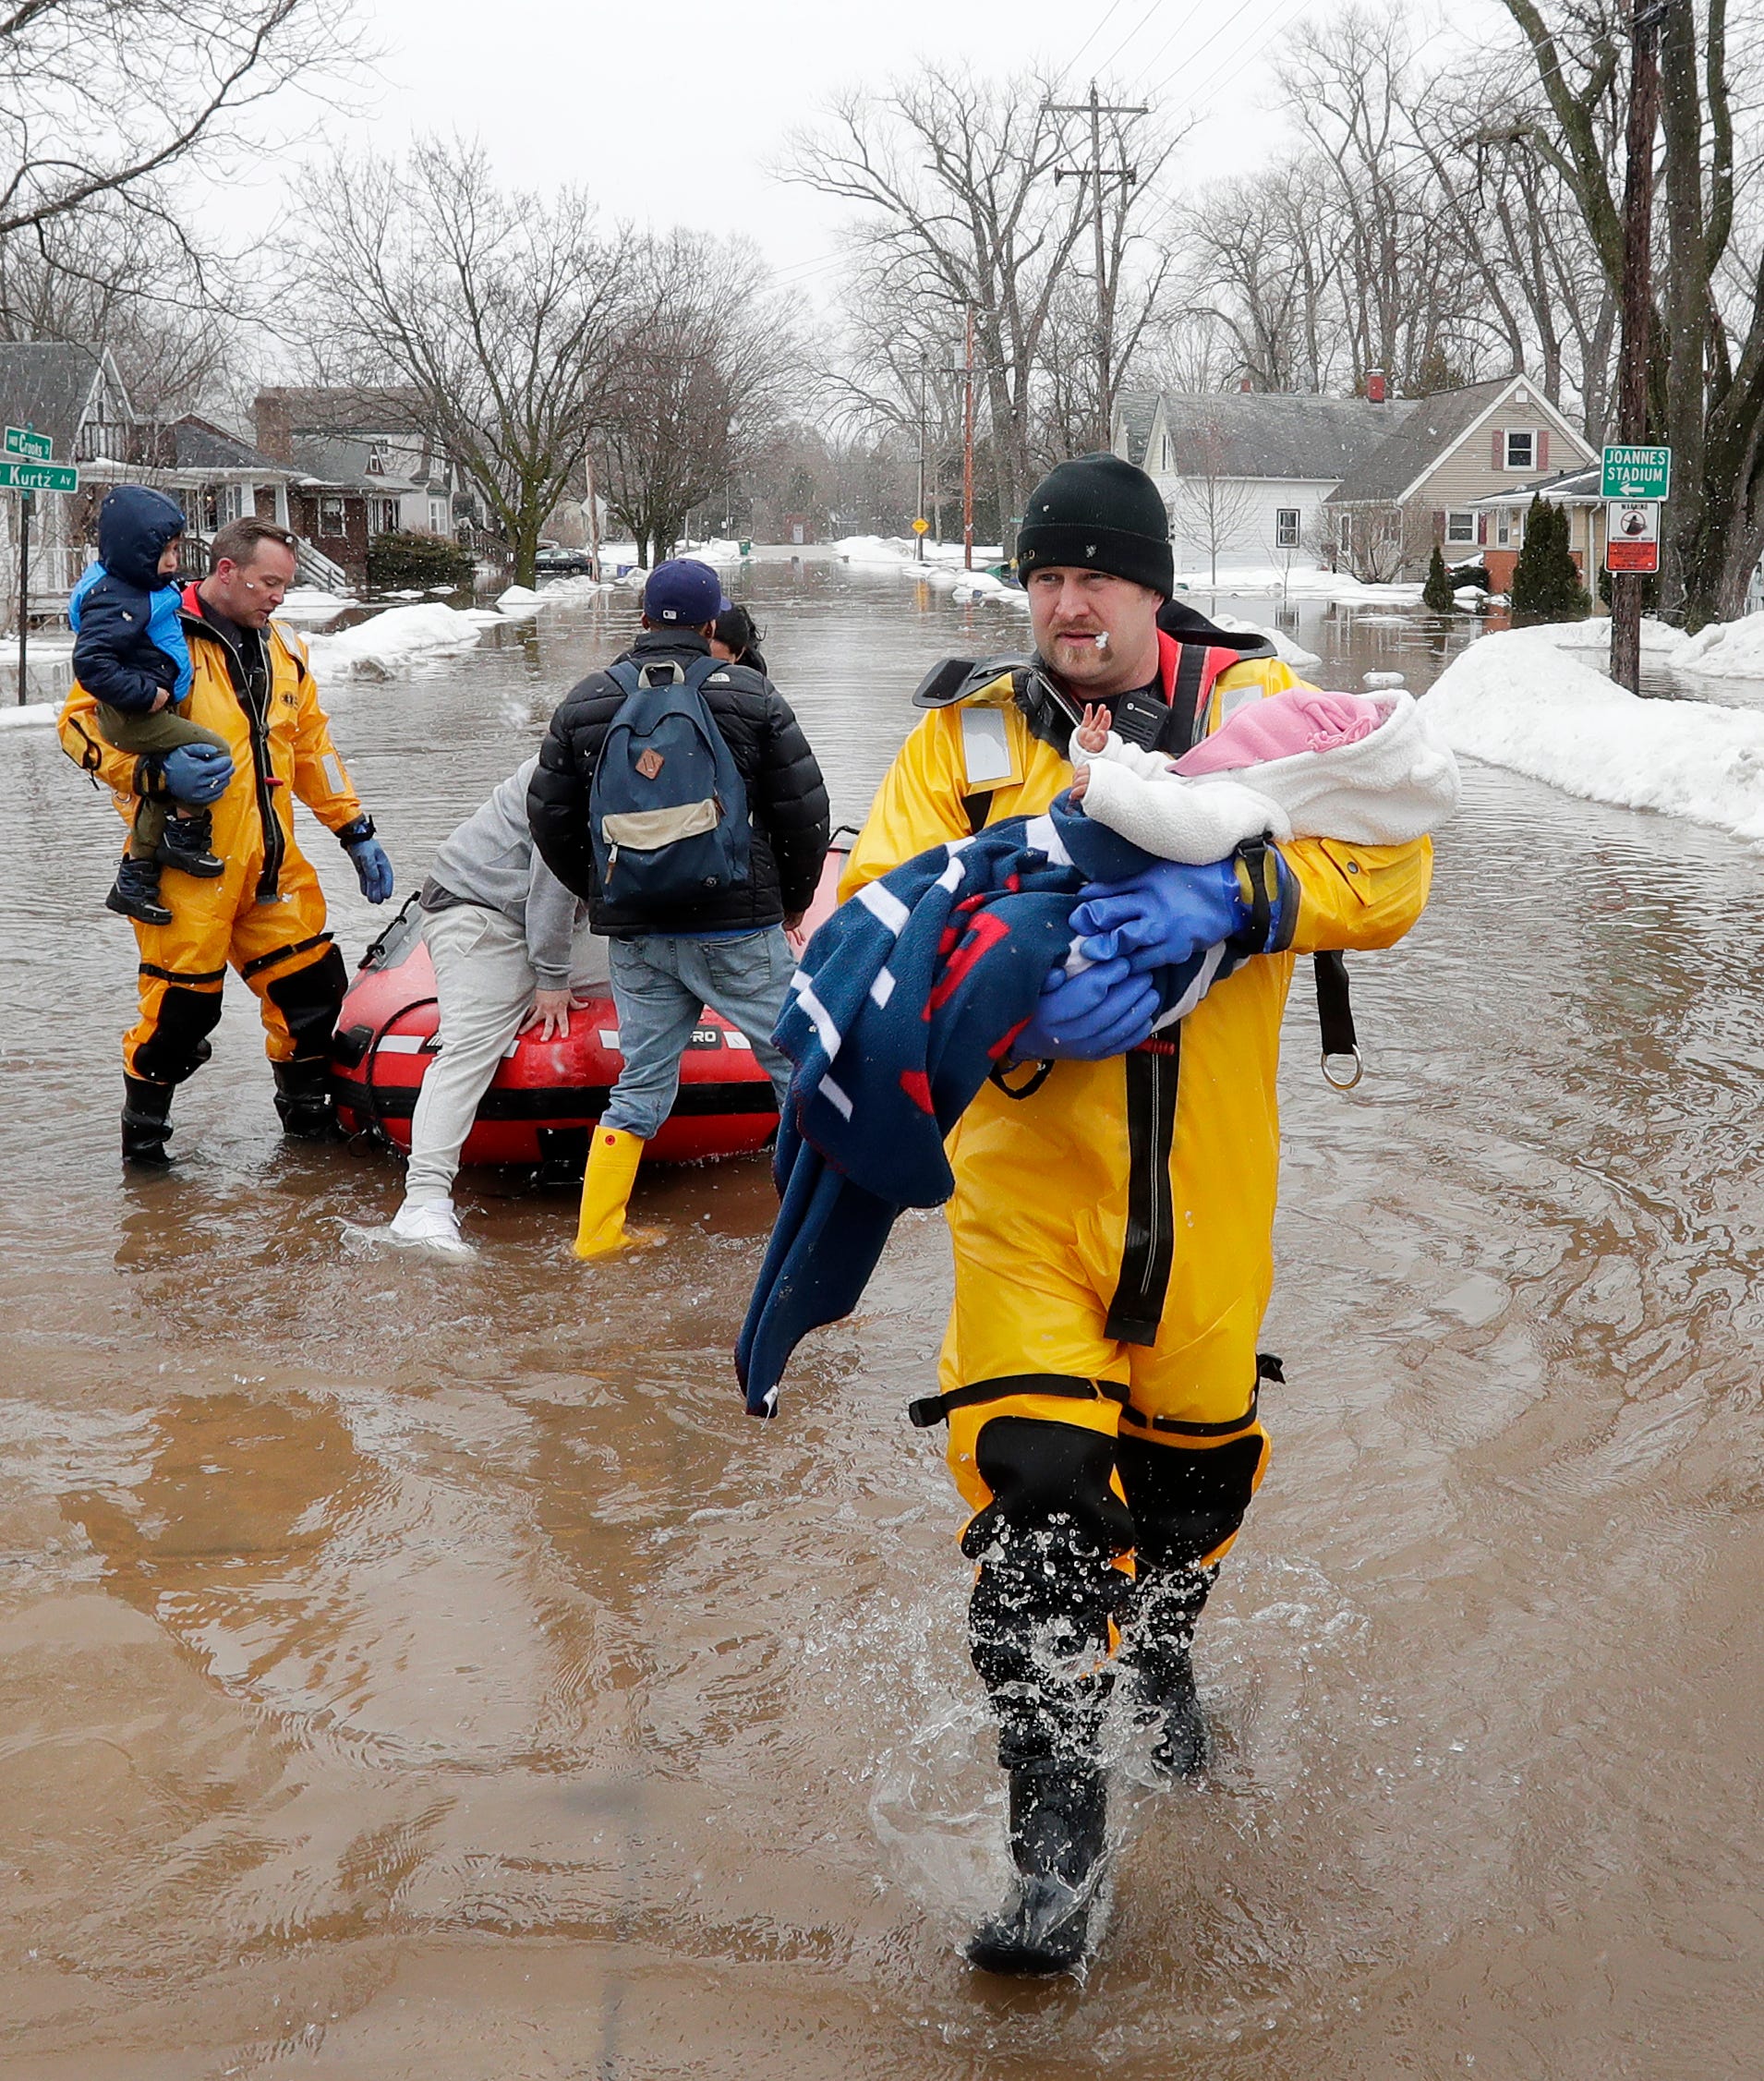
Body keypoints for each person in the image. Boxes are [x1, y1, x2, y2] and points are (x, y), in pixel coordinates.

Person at [837, 452, 1434, 1977]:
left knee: (1188, 1503)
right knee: (1034, 1511)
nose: (1066, 603)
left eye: (1095, 575)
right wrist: (996, 988)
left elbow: (1395, 861)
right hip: (1026, 1211)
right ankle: (1058, 1863)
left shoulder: (1265, 703)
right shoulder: (969, 733)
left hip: (1209, 1213)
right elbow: (874, 921)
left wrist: (1239, 897)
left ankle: (1162, 1660)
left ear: (1153, 581)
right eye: (1044, 577)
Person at [59, 516, 395, 1167]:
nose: (278, 597)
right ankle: (146, 1158)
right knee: (179, 1021)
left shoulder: (285, 649)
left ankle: (307, 1141)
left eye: (286, 587)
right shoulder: (154, 629)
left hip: (272, 868)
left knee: (315, 998)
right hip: (188, 869)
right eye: (269, 583)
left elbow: (311, 749)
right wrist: (151, 772)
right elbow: (78, 726)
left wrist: (354, 828)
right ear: (225, 571)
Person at [527, 557, 829, 1257]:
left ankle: (597, 1234)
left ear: (640, 619)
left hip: (637, 933)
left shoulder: (586, 700)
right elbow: (803, 812)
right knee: (795, 1066)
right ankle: (809, 1234)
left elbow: (550, 816)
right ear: (711, 622)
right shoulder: (750, 695)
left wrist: (605, 892)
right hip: (737, 922)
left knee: (640, 1086)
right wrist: (791, 901)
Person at [385, 755, 593, 1258]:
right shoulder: (579, 766)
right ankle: (423, 1202)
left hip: (563, 920)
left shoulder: (679, 761)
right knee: (468, 1046)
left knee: (660, 978)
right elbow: (554, 879)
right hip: (479, 910)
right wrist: (550, 977)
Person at [69, 487, 232, 926]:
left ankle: (136, 878)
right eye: (167, 552)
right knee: (212, 751)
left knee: (162, 787)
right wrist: (147, 694)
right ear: (137, 552)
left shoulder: (139, 587)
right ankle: (184, 837)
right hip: (135, 714)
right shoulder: (117, 599)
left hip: (149, 708)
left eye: (177, 549)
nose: (175, 561)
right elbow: (91, 663)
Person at [710, 601, 767, 674]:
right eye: (702, 662)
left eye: (721, 664)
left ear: (740, 654)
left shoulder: (754, 677)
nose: (710, 670)